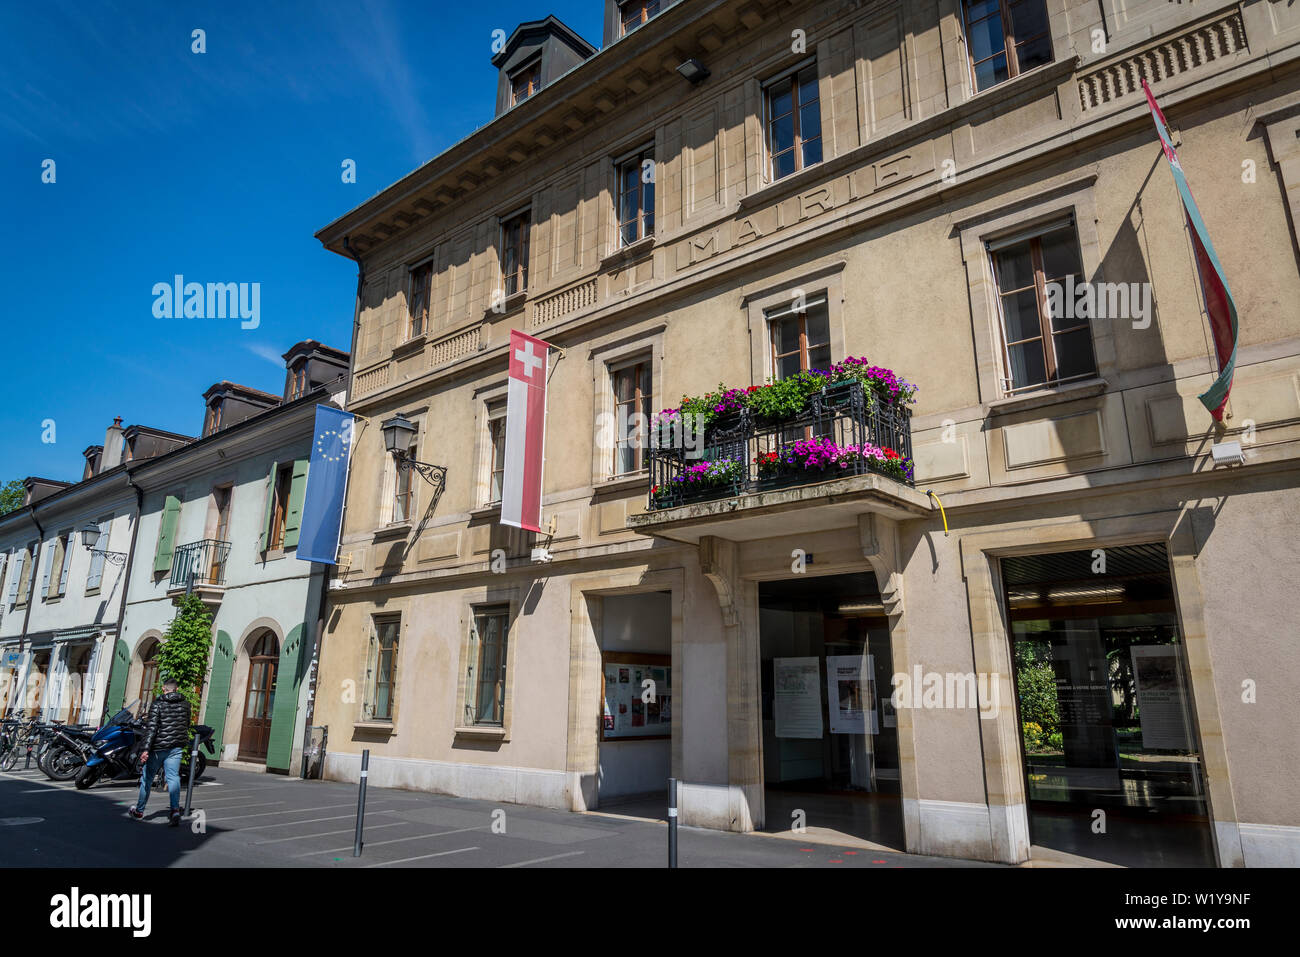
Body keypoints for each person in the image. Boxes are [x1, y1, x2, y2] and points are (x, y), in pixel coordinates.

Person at [128, 676, 191, 826]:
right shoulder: (186, 705)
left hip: (158, 748)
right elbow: (186, 724)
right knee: (173, 777)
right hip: (176, 747)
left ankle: (140, 810)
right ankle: (175, 810)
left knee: (147, 780)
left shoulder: (157, 704)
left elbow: (151, 729)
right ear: (177, 689)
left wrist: (145, 749)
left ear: (164, 688)